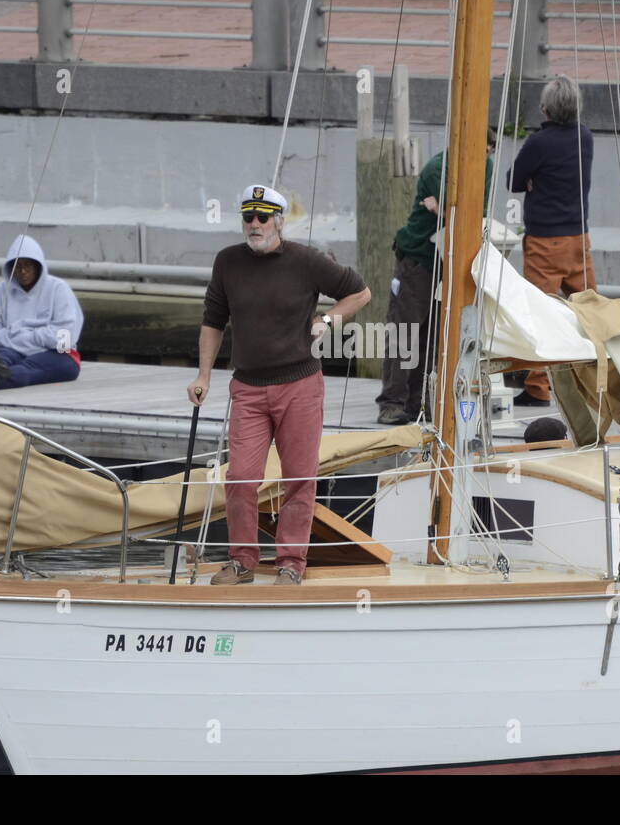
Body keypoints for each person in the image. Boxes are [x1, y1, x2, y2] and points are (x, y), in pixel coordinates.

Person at [191, 184, 371, 586]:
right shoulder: (228, 262)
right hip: (249, 388)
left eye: (262, 216)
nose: (254, 224)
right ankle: (242, 562)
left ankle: (291, 563)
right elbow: (212, 320)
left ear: (279, 221)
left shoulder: (307, 261)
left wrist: (327, 321)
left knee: (299, 478)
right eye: (247, 217)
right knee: (240, 478)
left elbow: (360, 292)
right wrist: (203, 375)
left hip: (300, 384)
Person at [376, 129, 497, 425]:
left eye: (488, 152)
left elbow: (469, 214)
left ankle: (420, 402)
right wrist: (443, 210)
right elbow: (455, 212)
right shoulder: (436, 168)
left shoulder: (486, 168)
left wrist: (442, 209)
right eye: (481, 151)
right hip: (419, 258)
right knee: (406, 330)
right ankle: (392, 401)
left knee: (433, 335)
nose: (484, 157)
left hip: (450, 262)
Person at [508, 75, 595, 408]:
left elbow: (513, 181)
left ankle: (538, 386)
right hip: (579, 237)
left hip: (545, 240)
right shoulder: (584, 137)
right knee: (588, 310)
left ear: (545, 109)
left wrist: (533, 179)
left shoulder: (538, 143)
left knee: (540, 311)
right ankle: (597, 376)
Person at [0, 234, 84, 391]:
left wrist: (22, 336)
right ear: (10, 268)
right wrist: (21, 341)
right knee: (2, 356)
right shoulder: (1, 291)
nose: (22, 271)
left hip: (54, 352)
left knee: (43, 367)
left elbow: (65, 336)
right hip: (12, 350)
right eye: (17, 266)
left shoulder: (59, 289)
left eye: (27, 265)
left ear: (38, 265)